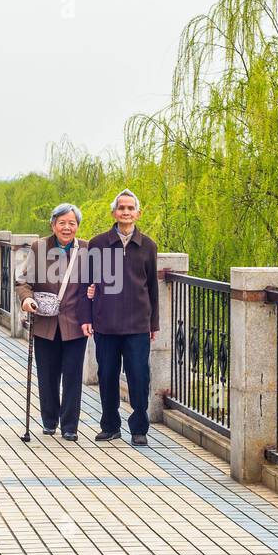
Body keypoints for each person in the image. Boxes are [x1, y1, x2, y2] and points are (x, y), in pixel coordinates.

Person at [87, 189, 159, 447]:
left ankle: (139, 428)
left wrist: (154, 324)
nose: (126, 212)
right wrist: (89, 318)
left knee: (139, 377)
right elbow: (88, 284)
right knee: (107, 375)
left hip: (138, 325)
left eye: (130, 208)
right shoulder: (97, 244)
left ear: (138, 213)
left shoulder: (148, 246)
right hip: (106, 323)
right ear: (114, 213)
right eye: (121, 208)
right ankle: (110, 426)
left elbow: (152, 287)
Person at [15, 203, 91, 441]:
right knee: (47, 375)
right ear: (53, 225)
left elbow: (98, 283)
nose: (67, 228)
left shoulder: (87, 249)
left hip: (75, 323)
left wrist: (94, 292)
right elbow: (23, 282)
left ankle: (70, 426)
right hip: (45, 322)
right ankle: (49, 421)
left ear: (77, 226)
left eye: (72, 223)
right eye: (62, 223)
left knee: (72, 376)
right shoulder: (39, 248)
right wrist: (27, 300)